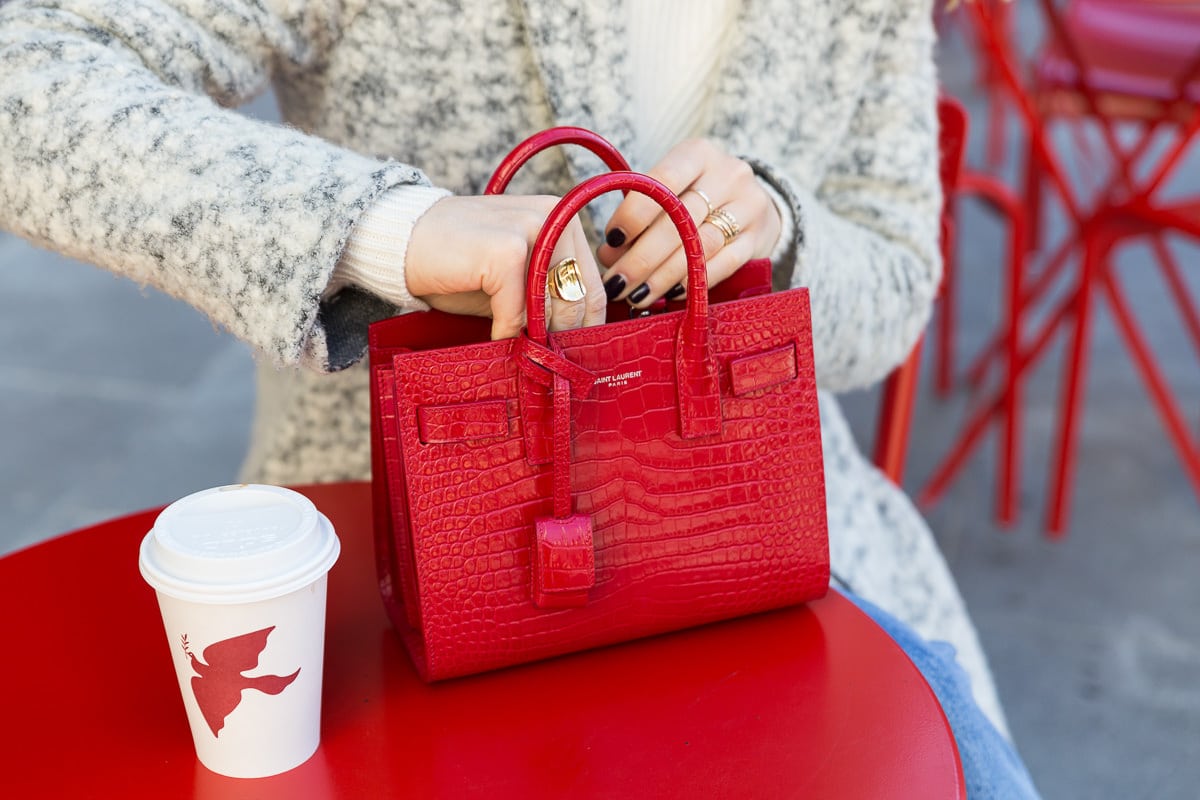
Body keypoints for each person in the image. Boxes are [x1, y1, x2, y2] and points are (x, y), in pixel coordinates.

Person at [0, 1, 1037, 793]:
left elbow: (898, 271)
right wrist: (392, 231)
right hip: (386, 566)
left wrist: (774, 224)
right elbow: (26, 64)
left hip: (768, 548)